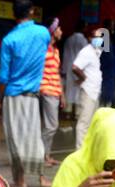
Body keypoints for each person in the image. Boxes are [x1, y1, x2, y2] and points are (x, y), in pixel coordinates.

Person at [0, 1, 50, 187]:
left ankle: (20, 180)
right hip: (32, 96)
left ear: (13, 14)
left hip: (12, 95)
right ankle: (42, 178)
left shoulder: (9, 40)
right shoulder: (43, 33)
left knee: (15, 137)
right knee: (34, 135)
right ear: (32, 11)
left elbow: (4, 75)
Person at [70, 26, 103, 147]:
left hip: (94, 92)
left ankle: (87, 150)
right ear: (89, 38)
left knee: (91, 123)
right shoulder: (86, 51)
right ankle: (80, 151)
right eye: (96, 37)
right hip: (88, 91)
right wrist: (83, 78)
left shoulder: (97, 51)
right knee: (83, 123)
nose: (99, 39)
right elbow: (75, 67)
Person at [40, 19, 63, 167]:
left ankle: (46, 156)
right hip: (47, 89)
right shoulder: (44, 49)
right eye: (59, 29)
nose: (61, 31)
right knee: (51, 126)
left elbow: (57, 73)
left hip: (55, 91)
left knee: (50, 126)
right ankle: (41, 156)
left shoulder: (55, 51)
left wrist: (62, 95)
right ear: (53, 32)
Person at [61, 23, 88, 118]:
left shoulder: (69, 40)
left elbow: (65, 55)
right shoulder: (84, 41)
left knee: (69, 89)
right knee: (78, 90)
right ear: (83, 28)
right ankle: (77, 113)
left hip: (69, 68)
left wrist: (63, 70)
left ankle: (67, 111)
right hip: (80, 69)